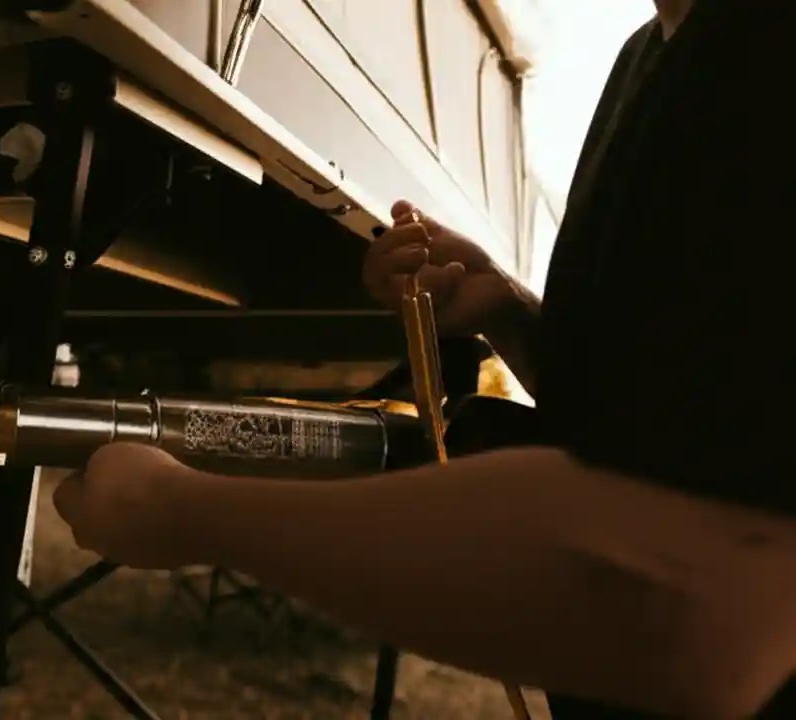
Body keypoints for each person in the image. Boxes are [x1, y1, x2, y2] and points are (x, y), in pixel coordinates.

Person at [54, 0, 796, 717]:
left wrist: (182, 512)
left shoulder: (765, 45)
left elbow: (709, 604)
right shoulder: (651, 55)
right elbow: (663, 426)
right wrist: (507, 313)